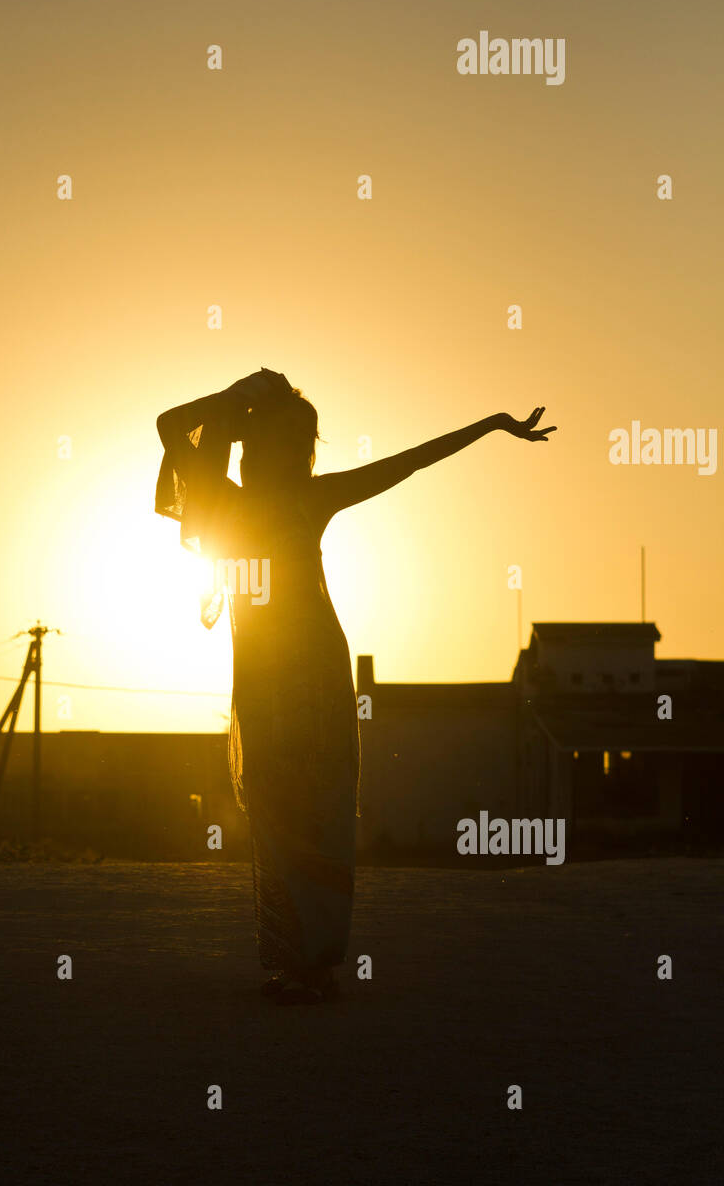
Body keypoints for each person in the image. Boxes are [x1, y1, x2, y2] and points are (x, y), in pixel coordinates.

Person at [155, 369, 555, 1004]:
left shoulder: (261, 499)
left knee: (309, 807)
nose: (292, 451)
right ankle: (298, 961)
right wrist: (239, 401)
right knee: (288, 808)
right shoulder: (258, 500)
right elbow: (170, 426)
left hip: (307, 670)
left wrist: (492, 424)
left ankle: (308, 963)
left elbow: (413, 461)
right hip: (279, 671)